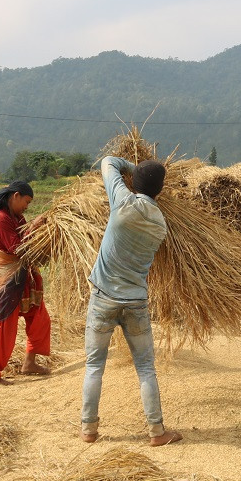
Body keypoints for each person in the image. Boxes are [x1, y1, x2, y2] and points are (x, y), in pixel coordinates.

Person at [80, 156, 182, 447]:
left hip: (102, 298)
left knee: (94, 365)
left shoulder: (122, 202)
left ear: (132, 182)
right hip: (135, 300)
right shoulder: (161, 224)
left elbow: (107, 163)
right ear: (159, 191)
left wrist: (129, 165)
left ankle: (89, 429)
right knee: (146, 367)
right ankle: (157, 431)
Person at [0, 180, 51, 384]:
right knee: (5, 326)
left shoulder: (17, 217)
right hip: (8, 281)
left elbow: (25, 239)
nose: (27, 206)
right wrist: (36, 227)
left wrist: (36, 228)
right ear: (15, 196)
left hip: (24, 278)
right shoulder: (0, 220)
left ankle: (29, 363)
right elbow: (19, 248)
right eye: (26, 201)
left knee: (39, 318)